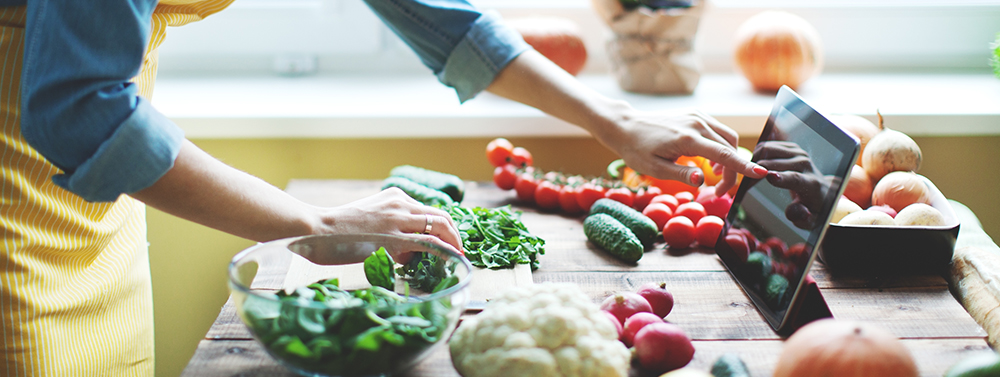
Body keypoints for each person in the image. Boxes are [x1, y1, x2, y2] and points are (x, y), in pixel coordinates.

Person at [0, 0, 767, 374]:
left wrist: (615, 119)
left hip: (97, 205)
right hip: (15, 205)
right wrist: (317, 222)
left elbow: (439, 19)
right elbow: (78, 106)